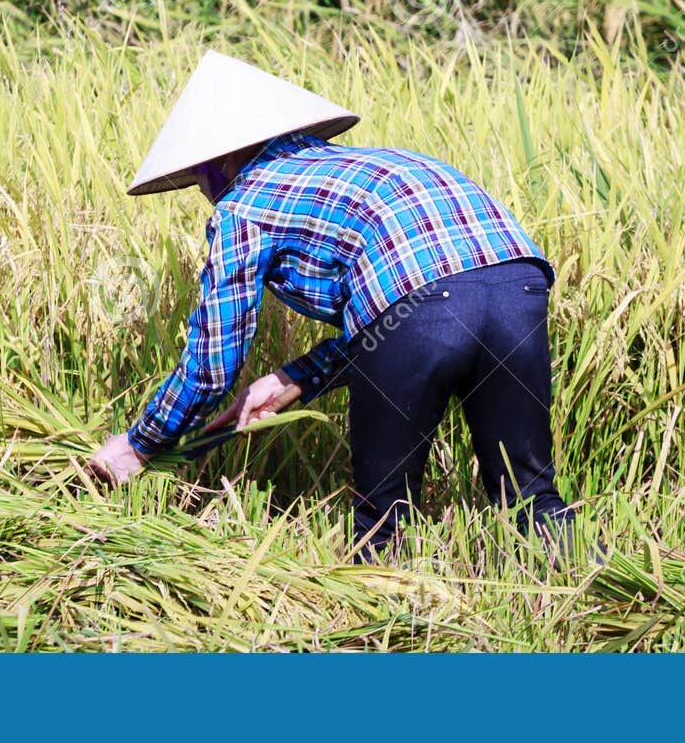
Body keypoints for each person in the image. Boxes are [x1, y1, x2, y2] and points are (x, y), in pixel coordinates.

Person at [88, 50, 573, 563]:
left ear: (224, 159)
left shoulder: (244, 205)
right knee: (531, 498)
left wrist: (139, 445)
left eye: (202, 175)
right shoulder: (379, 162)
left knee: (384, 524)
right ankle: (604, 594)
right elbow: (408, 307)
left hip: (422, 306)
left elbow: (211, 367)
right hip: (518, 283)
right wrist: (292, 379)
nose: (208, 190)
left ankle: (385, 627)